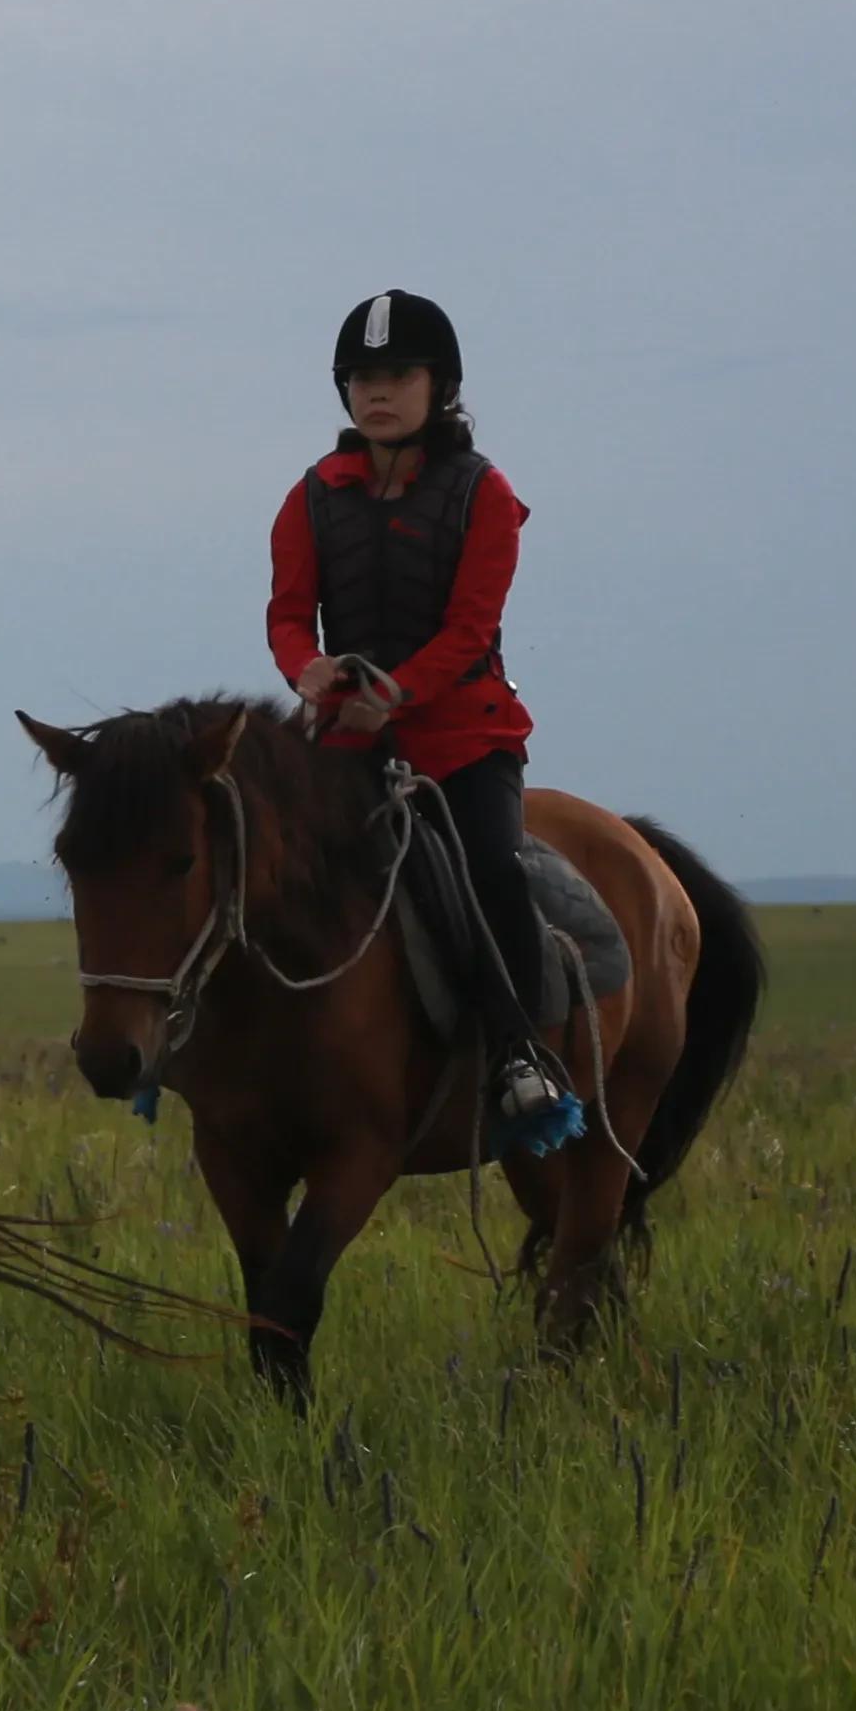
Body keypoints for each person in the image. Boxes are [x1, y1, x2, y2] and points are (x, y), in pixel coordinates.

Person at [269, 287, 582, 1157]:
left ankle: (521, 1052)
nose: (379, 392)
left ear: (437, 385)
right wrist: (308, 667)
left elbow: (470, 629)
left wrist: (398, 693)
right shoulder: (309, 497)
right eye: (363, 376)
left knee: (489, 864)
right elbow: (289, 614)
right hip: (342, 740)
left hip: (463, 736)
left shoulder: (484, 493)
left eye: (398, 374)